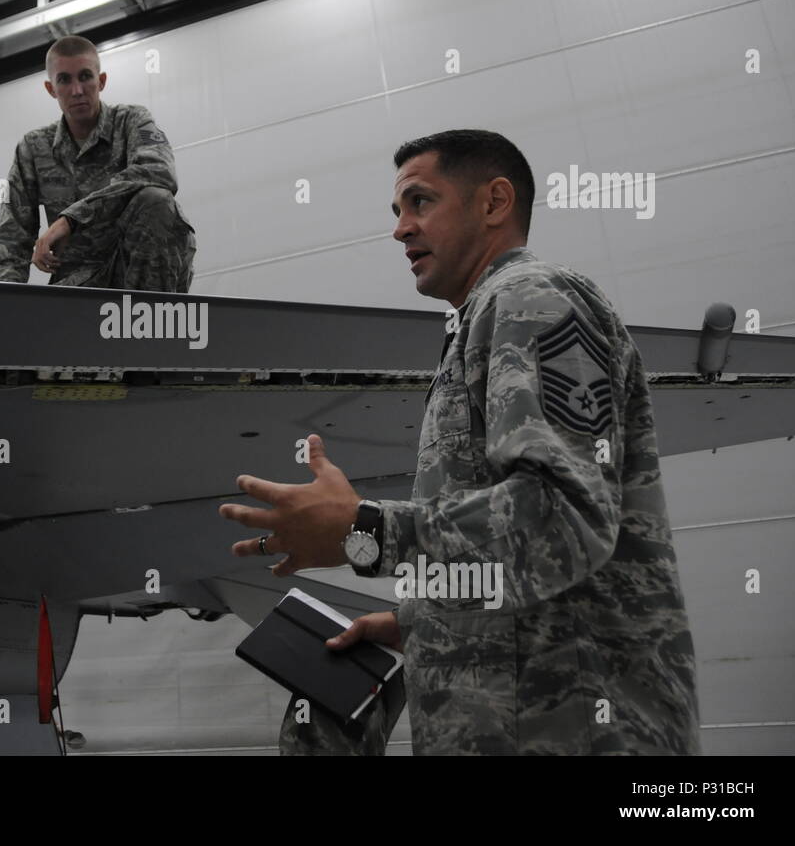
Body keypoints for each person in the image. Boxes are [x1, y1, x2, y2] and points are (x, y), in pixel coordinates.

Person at [221, 129, 701, 755]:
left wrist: (363, 529)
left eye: (419, 202)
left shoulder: (530, 299)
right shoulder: (481, 319)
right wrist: (416, 623)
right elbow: (516, 555)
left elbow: (563, 517)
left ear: (494, 202)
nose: (400, 229)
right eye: (397, 211)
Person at [0, 35, 196, 291]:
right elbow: (11, 237)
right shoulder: (33, 148)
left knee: (157, 200)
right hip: (77, 285)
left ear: (101, 81)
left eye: (85, 76)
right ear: (51, 89)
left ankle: (149, 323)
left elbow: (159, 171)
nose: (77, 90)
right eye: (64, 80)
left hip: (139, 271)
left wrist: (71, 220)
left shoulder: (131, 121)